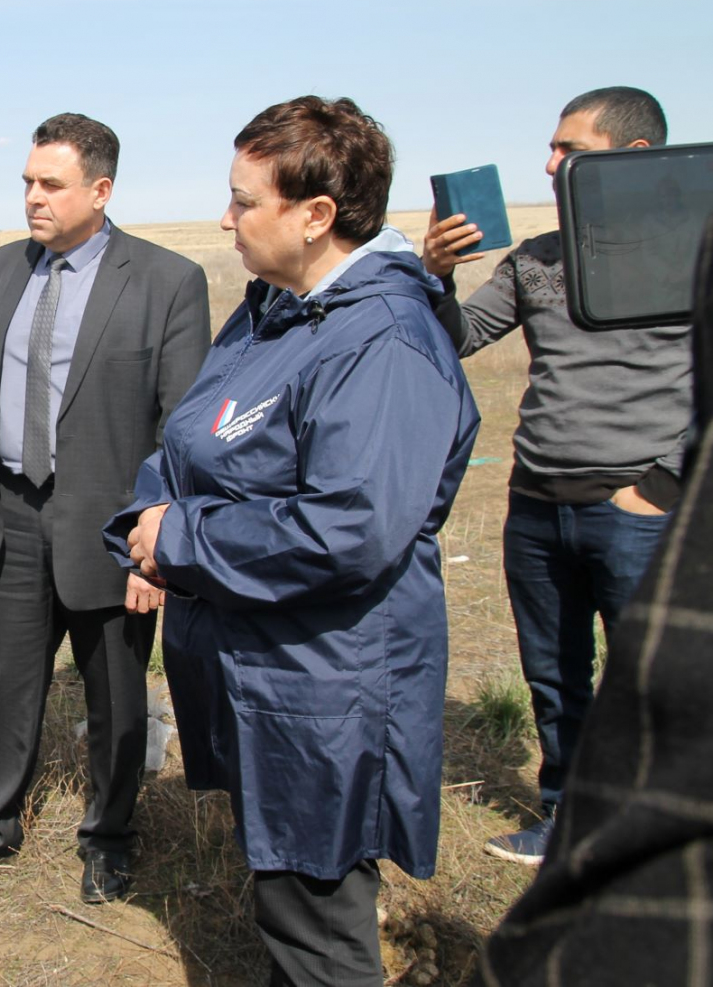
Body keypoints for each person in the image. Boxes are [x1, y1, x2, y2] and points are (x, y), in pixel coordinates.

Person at [108, 96, 480, 986]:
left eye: (243, 202)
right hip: (261, 667)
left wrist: (182, 539)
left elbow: (349, 528)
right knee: (291, 904)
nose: (224, 219)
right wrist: (149, 519)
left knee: (319, 925)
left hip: (325, 683)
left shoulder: (381, 338)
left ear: (316, 217)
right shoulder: (274, 310)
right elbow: (194, 439)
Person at [0, 113, 210, 903]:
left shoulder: (167, 281)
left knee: (115, 692)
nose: (33, 198)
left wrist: (158, 548)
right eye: (26, 183)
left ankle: (110, 837)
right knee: (10, 681)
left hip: (113, 532)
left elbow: (180, 430)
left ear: (101, 190)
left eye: (50, 184)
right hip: (10, 513)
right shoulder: (0, 270)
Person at [422, 86, 690, 865]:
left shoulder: (690, 251)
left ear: (634, 157)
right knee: (554, 672)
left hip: (639, 510)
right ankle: (565, 815)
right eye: (551, 146)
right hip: (537, 503)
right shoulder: (536, 256)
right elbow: (461, 339)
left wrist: (662, 486)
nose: (549, 164)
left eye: (568, 149)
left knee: (651, 681)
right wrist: (435, 276)